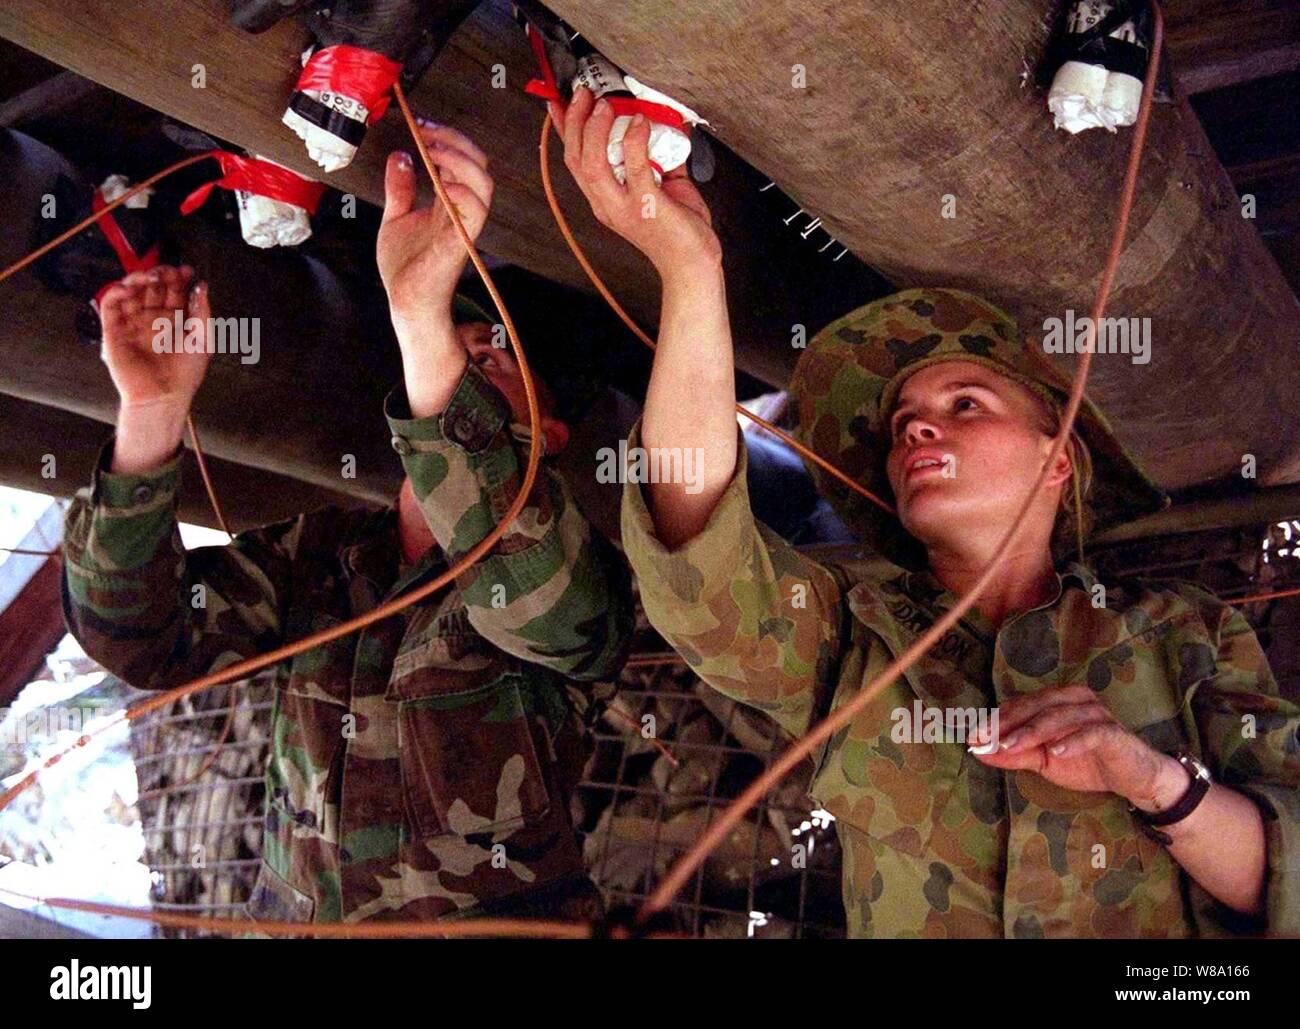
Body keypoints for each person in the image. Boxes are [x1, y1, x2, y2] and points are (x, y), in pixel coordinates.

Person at [549, 86, 1300, 938]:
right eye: (905, 423)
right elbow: (695, 548)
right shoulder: (851, 637)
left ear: (1059, 461)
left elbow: (1289, 875)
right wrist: (689, 269)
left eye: (966, 404)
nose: (917, 427)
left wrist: (1151, 778)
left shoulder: (1185, 634)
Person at [61, 121, 633, 926]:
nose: (454, 364)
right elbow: (142, 637)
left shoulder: (584, 580)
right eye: (443, 348)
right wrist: (151, 415)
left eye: (491, 358)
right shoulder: (324, 556)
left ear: (549, 433)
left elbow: (531, 590)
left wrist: (419, 312)